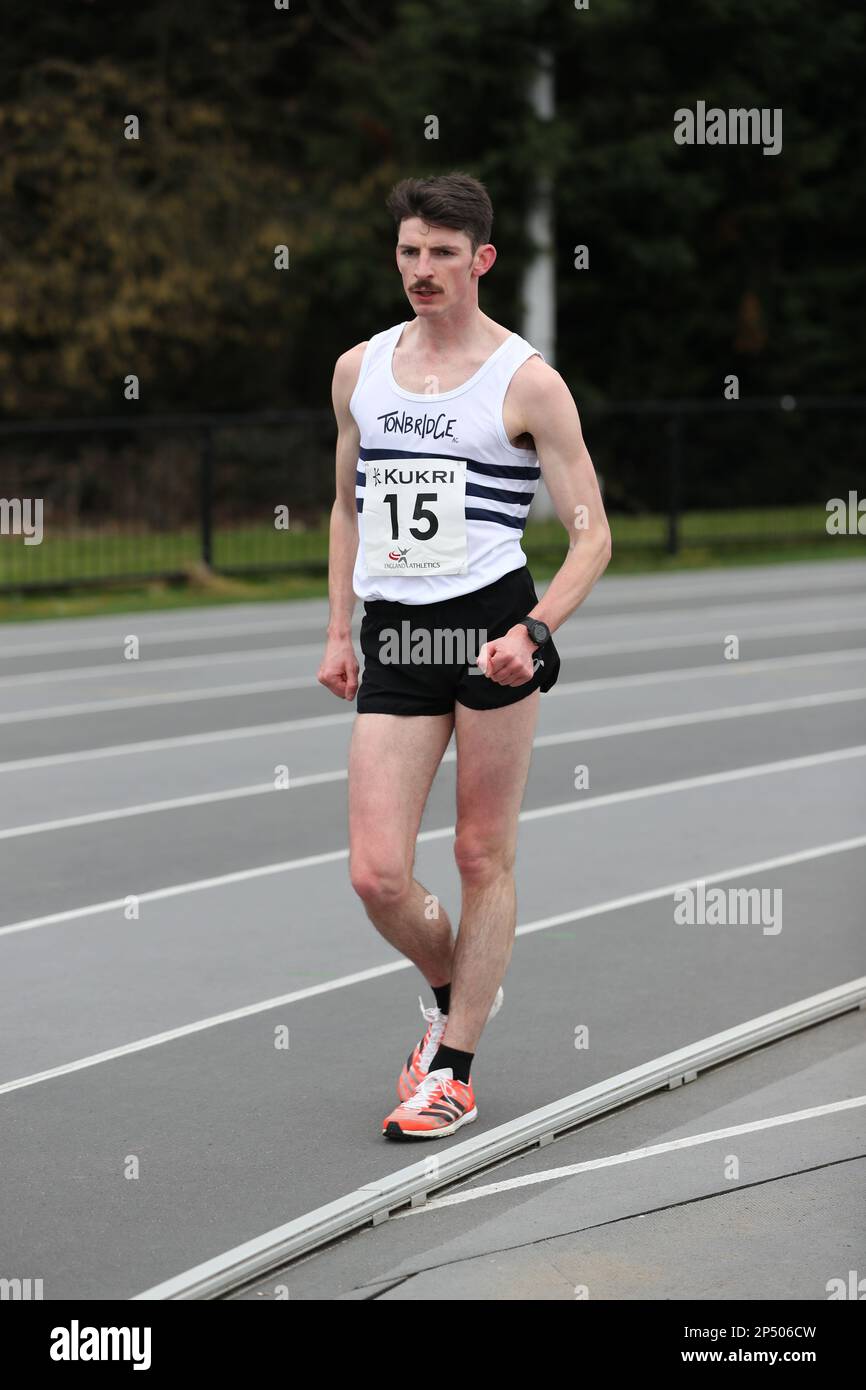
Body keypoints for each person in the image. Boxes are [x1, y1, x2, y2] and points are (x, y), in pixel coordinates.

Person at [317, 172, 611, 1140]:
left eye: (442, 253)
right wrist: (337, 629)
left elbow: (592, 535)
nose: (422, 269)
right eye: (409, 251)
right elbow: (346, 508)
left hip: (492, 630)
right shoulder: (359, 369)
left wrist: (535, 631)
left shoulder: (525, 381)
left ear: (480, 259)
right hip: (399, 633)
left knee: (480, 851)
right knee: (376, 874)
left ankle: (453, 1069)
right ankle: (456, 992)